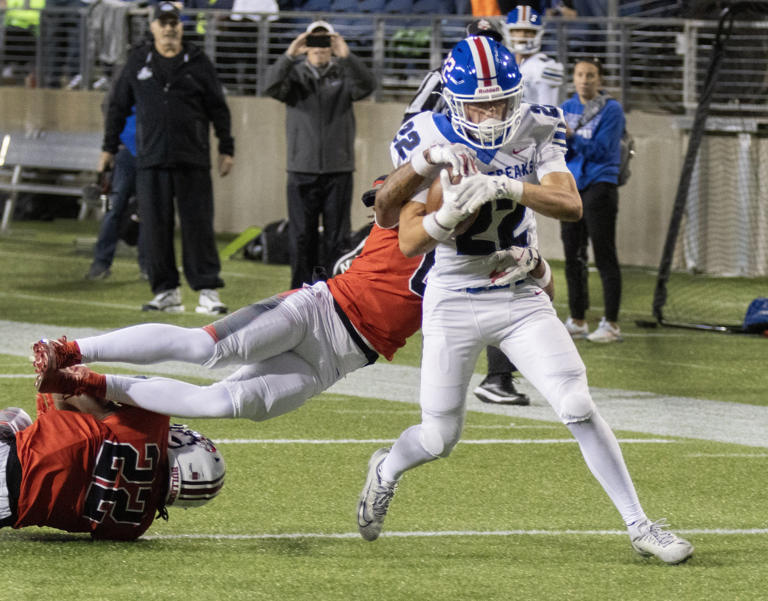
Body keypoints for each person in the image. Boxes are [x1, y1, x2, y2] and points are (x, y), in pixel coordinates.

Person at [357, 36, 693, 565]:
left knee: (578, 404)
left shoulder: (538, 122)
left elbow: (569, 203)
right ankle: (386, 469)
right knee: (439, 435)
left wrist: (505, 188)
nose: (492, 113)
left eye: (501, 99)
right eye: (480, 103)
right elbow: (405, 239)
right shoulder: (424, 132)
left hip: (516, 290)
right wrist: (446, 213)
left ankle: (640, 525)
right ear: (453, 99)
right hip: (453, 295)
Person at [29, 170, 544, 423]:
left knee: (217, 404)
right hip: (318, 311)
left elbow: (533, 289)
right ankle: (73, 350)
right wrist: (430, 169)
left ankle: (92, 381)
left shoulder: (479, 253)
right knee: (203, 347)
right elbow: (383, 202)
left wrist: (526, 264)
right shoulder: (410, 195)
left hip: (340, 362)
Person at [403, 17, 532, 408]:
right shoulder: (442, 77)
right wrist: (431, 164)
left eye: (493, 41)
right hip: (451, 173)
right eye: (482, 40)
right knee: (436, 263)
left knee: (511, 264)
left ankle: (498, 374)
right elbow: (411, 125)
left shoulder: (513, 83)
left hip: (504, 179)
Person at [100, 1, 235, 315]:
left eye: (174, 22)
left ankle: (207, 290)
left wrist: (227, 147)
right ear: (153, 26)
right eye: (163, 22)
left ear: (181, 26)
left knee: (198, 225)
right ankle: (166, 292)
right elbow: (118, 107)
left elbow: (218, 108)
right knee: (155, 228)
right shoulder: (138, 60)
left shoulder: (198, 61)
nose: (169, 27)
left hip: (192, 159)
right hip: (151, 159)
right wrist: (107, 149)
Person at [0, 391, 225, 540]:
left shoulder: (148, 428)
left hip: (7, 456)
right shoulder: (133, 527)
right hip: (7, 510)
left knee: (16, 417)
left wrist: (61, 364)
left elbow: (68, 388)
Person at [264, 20, 376, 289]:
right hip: (301, 169)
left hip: (338, 169)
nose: (319, 48)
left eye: (325, 42)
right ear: (304, 45)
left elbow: (368, 85)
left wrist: (346, 56)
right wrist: (290, 54)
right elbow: (269, 86)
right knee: (302, 236)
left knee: (337, 237)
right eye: (313, 42)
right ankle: (300, 292)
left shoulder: (344, 75)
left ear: (333, 44)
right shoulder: (293, 78)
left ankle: (334, 290)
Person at [559, 57, 625, 343]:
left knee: (604, 254)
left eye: (591, 75)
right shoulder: (565, 108)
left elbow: (602, 150)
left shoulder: (612, 110)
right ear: (573, 78)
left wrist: (572, 137)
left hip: (600, 186)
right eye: (580, 74)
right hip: (571, 187)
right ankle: (577, 319)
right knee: (573, 255)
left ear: (600, 79)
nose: (584, 80)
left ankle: (611, 323)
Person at [86, 106, 147, 281]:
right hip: (130, 152)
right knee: (117, 210)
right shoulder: (131, 83)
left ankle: (102, 264)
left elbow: (109, 109)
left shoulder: (127, 82)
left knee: (143, 212)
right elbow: (110, 109)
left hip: (143, 151)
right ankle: (102, 264)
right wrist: (109, 149)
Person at [506, 5, 564, 106]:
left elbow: (548, 112)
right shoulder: (504, 64)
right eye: (517, 31)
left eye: (528, 32)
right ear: (508, 33)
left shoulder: (546, 67)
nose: (522, 36)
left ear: (537, 34)